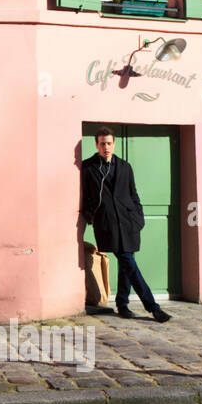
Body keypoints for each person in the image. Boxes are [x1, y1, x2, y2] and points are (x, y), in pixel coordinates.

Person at [80, 126, 171, 323]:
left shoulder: (124, 166)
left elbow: (133, 193)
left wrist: (139, 218)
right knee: (128, 261)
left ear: (114, 144)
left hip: (129, 223)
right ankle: (153, 307)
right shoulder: (88, 167)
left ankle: (122, 304)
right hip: (107, 223)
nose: (106, 147)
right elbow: (85, 196)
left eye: (109, 143)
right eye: (102, 143)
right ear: (97, 145)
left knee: (126, 264)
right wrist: (90, 216)